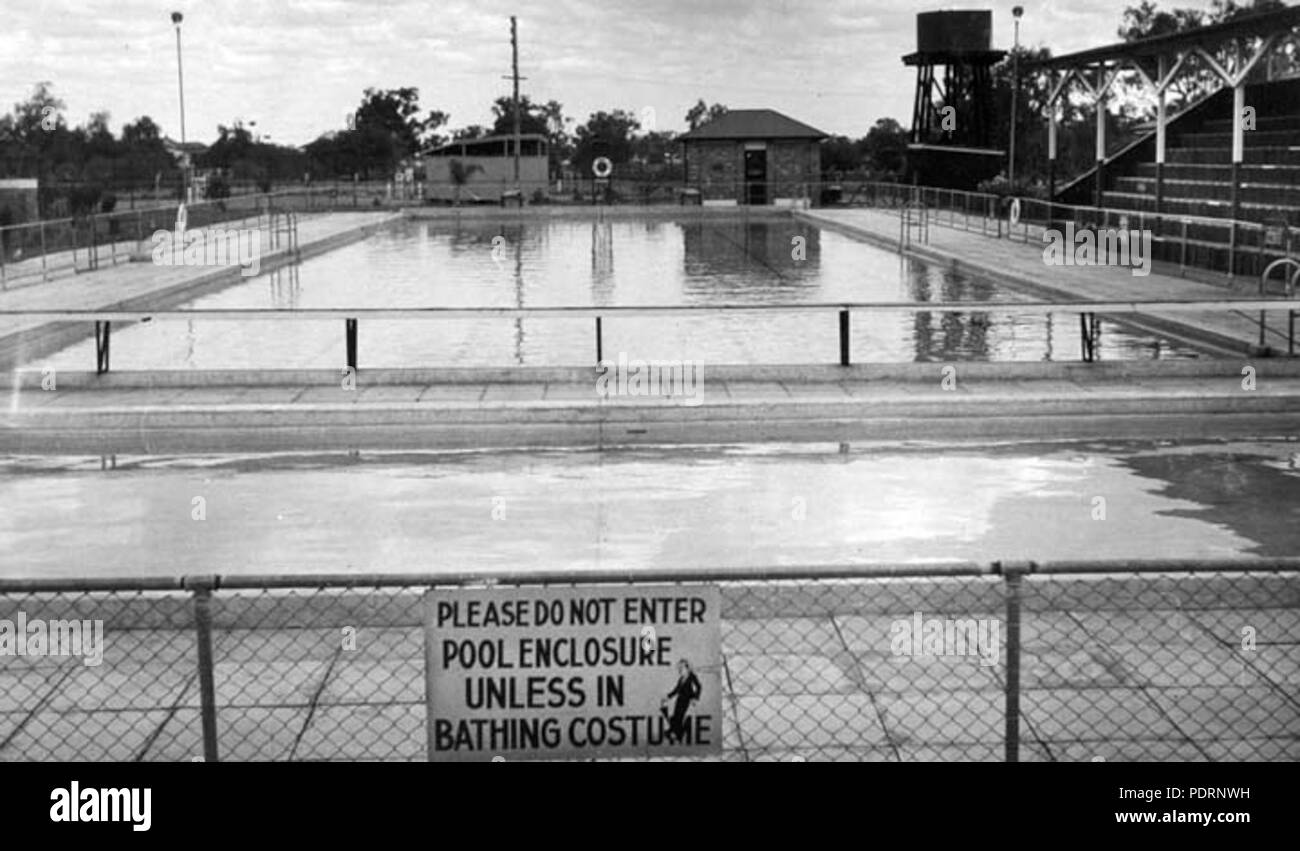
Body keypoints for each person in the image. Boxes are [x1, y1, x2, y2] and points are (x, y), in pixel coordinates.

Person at [660, 659, 701, 744]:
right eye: (679, 668)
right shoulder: (681, 679)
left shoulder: (692, 677)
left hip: (686, 700)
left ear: (687, 668)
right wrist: (668, 696)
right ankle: (675, 732)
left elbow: (699, 687)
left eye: (681, 668)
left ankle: (677, 733)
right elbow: (676, 690)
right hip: (679, 700)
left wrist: (695, 698)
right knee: (675, 716)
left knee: (680, 717)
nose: (679, 670)